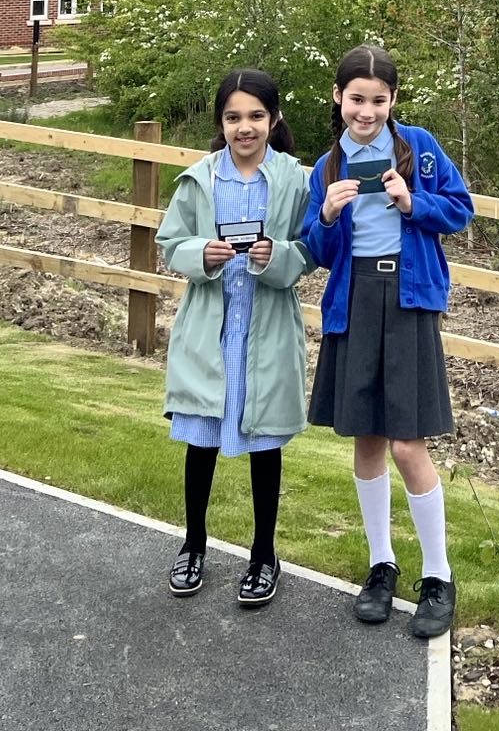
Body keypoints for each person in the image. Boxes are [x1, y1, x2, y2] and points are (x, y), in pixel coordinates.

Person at [302, 43, 474, 639]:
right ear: (338, 99)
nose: (366, 111)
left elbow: (460, 210)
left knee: (408, 444)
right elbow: (316, 252)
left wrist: (411, 201)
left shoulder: (419, 149)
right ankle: (381, 566)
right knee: (368, 439)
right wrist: (325, 213)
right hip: (354, 304)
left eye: (378, 100)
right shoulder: (326, 166)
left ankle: (438, 575)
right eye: (356, 99)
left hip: (408, 298)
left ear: (393, 100)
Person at [155, 68, 310, 607]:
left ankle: (264, 555)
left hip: (266, 331)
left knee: (265, 445)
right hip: (209, 332)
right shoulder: (199, 179)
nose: (245, 128)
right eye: (233, 117)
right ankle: (193, 544)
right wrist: (202, 254)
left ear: (274, 119)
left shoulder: (295, 180)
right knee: (201, 444)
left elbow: (310, 249)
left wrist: (278, 258)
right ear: (220, 123)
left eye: (255, 116)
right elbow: (170, 243)